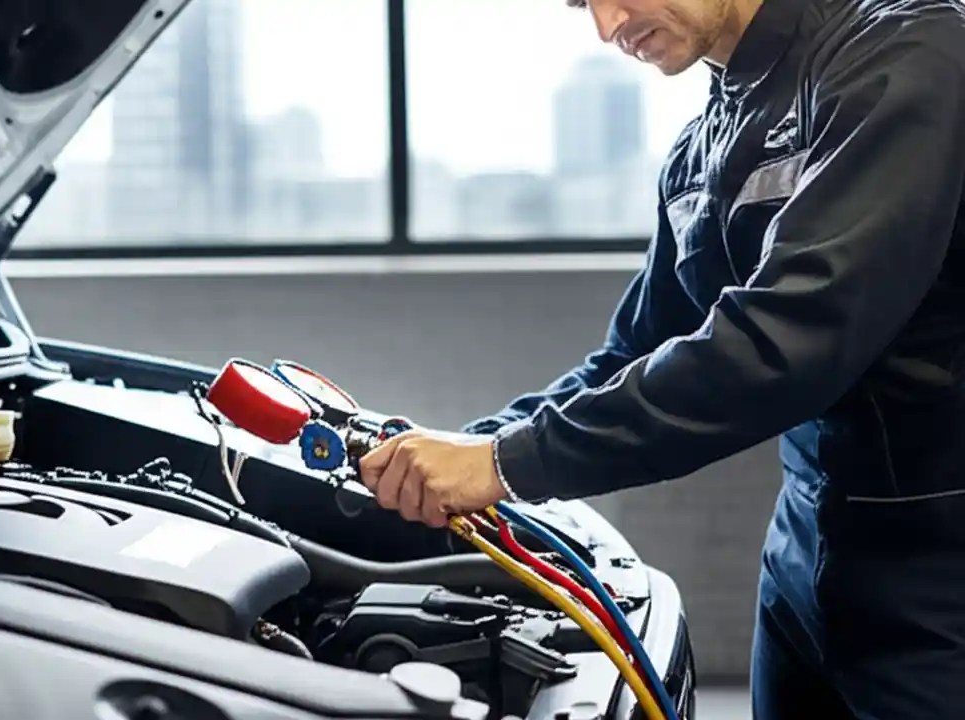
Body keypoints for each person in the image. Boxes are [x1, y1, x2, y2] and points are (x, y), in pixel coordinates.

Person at [357, 0, 965, 716]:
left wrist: (504, 464)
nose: (608, 27)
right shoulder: (703, 146)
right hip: (805, 554)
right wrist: (472, 446)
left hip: (939, 574)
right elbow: (631, 352)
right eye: (582, 4)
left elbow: (782, 343)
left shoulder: (910, 53)